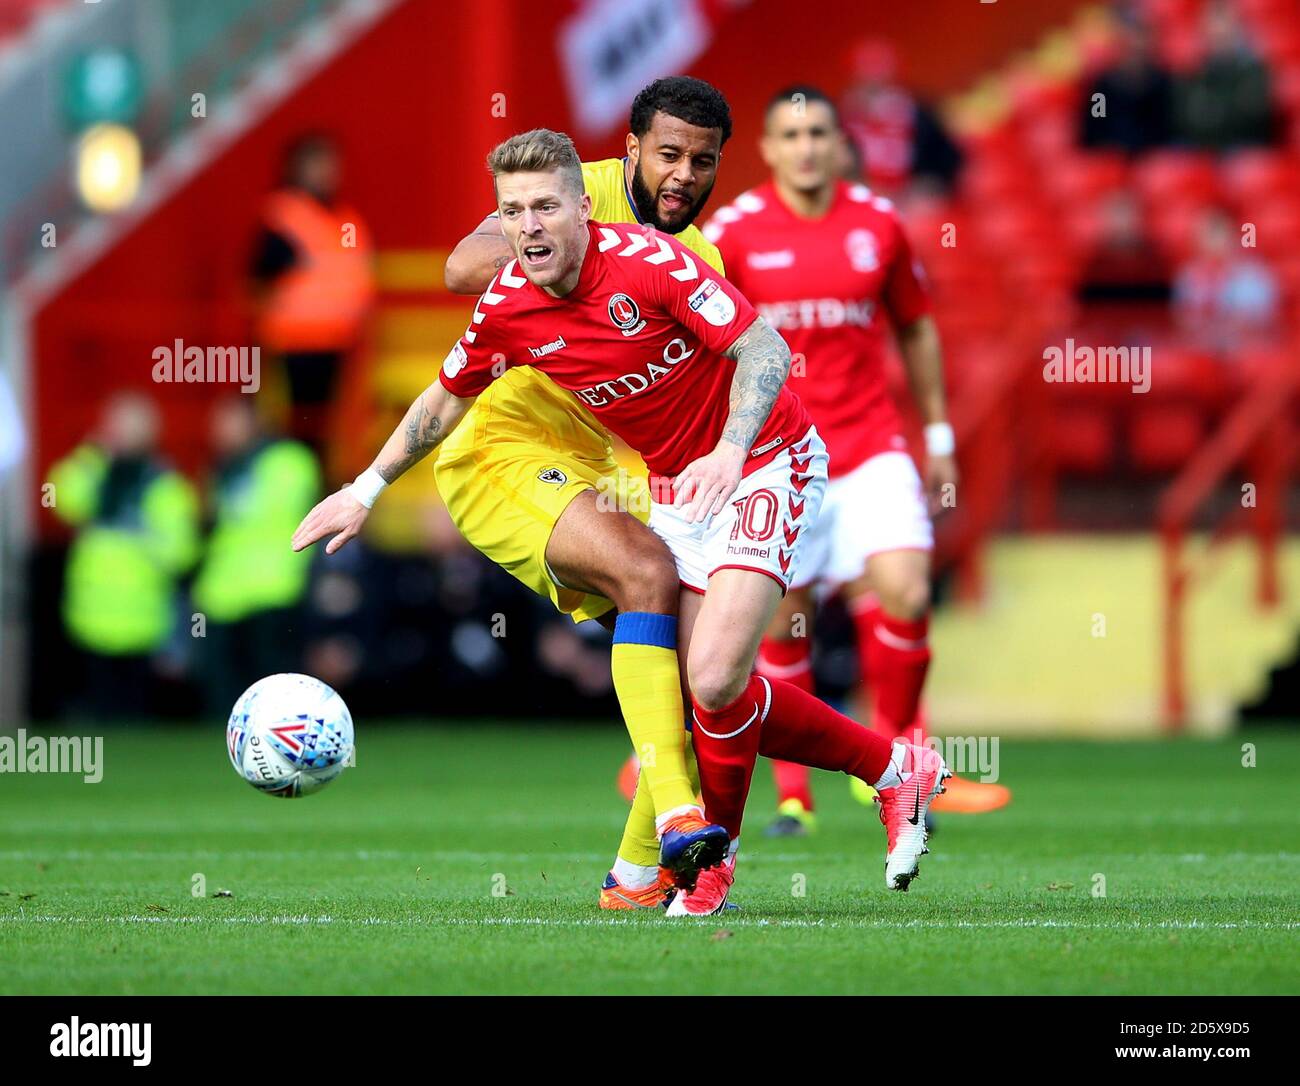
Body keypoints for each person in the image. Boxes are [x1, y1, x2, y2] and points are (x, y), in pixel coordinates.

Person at [292, 128, 950, 916]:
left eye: (544, 207)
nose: (528, 226)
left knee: (710, 678)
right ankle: (891, 770)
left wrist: (731, 450)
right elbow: (442, 400)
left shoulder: (654, 263)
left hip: (765, 458)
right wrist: (365, 489)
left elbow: (766, 350)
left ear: (584, 208)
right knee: (697, 689)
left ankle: (703, 871)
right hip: (673, 486)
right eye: (512, 213)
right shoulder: (507, 305)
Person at [440, 77, 740, 907]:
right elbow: (461, 266)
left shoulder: (701, 261)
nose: (682, 174)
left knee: (696, 669)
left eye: (702, 161)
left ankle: (637, 877)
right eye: (669, 154)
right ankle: (853, 772)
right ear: (633, 148)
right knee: (650, 581)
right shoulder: (576, 192)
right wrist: (579, 242)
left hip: (615, 471)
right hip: (512, 449)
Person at [705, 87, 1010, 835]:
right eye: (790, 134)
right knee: (783, 622)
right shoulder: (732, 234)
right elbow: (703, 344)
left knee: (906, 589)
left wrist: (937, 436)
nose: (806, 146)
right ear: (769, 149)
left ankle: (899, 767)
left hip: (871, 445)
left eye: (819, 133)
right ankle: (793, 800)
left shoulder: (879, 225)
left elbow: (917, 326)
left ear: (841, 146)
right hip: (777, 456)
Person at [48, 393, 199, 718]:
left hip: (143, 622)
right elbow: (59, 497)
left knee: (135, 720)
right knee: (100, 716)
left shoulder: (164, 486)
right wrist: (93, 455)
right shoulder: (97, 475)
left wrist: (140, 536)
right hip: (89, 618)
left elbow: (181, 553)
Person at [193, 397, 321, 716]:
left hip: (273, 585)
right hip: (223, 593)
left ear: (254, 422)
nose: (221, 431)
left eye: (230, 422)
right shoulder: (225, 469)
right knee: (222, 682)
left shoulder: (289, 460)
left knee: (274, 682)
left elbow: (266, 511)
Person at [251, 133, 376, 457]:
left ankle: (322, 483)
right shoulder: (283, 216)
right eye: (317, 164)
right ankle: (301, 482)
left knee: (329, 426)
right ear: (296, 168)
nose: (326, 172)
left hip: (340, 342)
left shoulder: (344, 218)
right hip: (297, 343)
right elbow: (258, 276)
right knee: (299, 424)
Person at [1080, 12, 1173, 153]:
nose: (1135, 49)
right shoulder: (1101, 90)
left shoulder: (1164, 84)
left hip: (1153, 163)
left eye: (1140, 46)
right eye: (1130, 46)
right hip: (1111, 163)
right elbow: (1094, 132)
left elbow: (1170, 132)